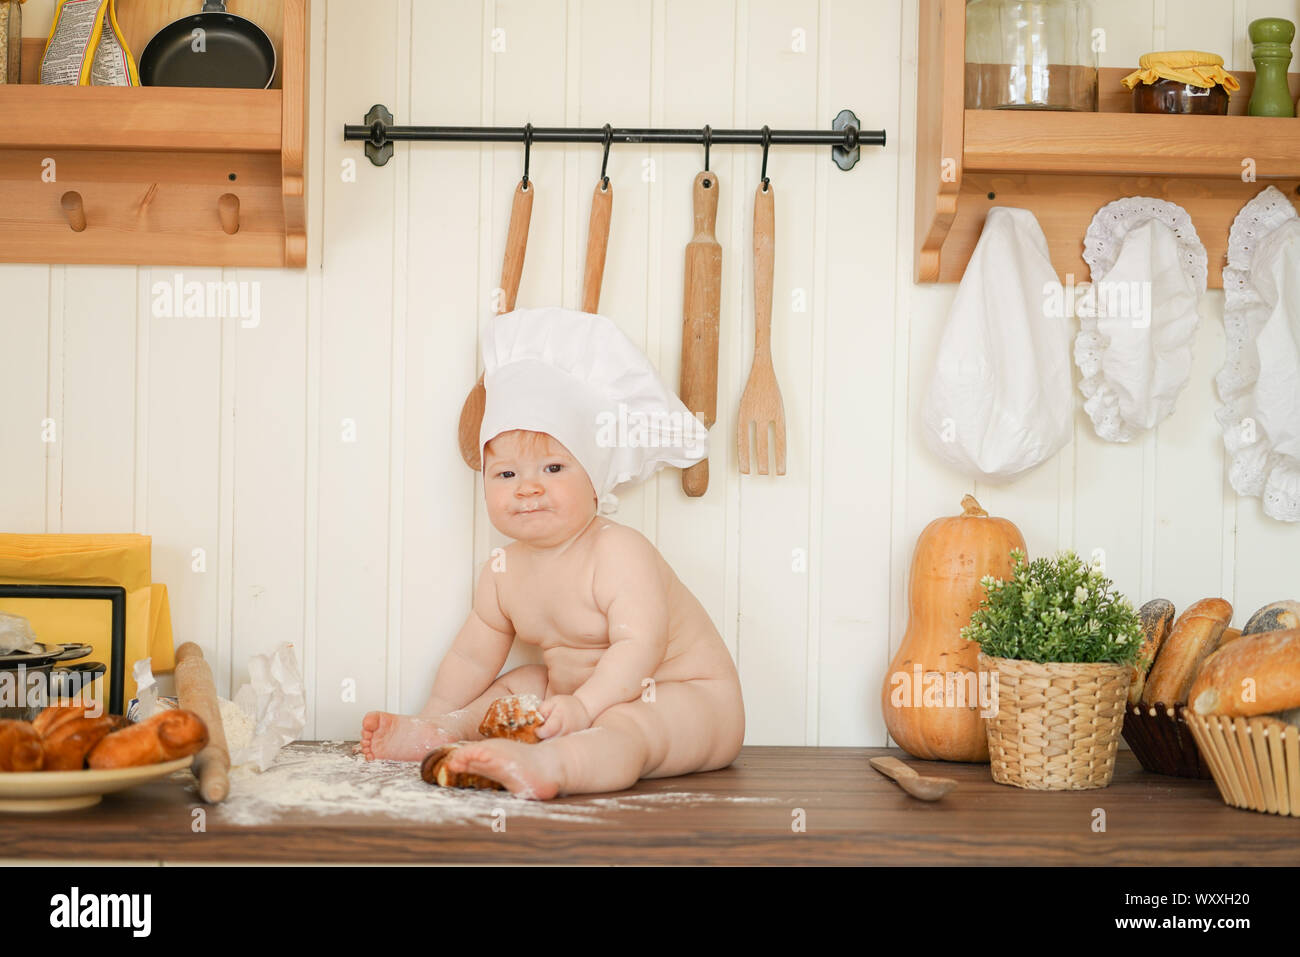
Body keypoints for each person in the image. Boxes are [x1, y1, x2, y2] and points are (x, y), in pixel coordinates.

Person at [359, 307, 744, 800]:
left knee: (629, 724)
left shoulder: (618, 551)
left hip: (682, 696)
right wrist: (439, 710)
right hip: (578, 699)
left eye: (555, 468)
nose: (528, 489)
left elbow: (638, 648)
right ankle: (440, 731)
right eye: (506, 475)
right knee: (519, 681)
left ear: (595, 480)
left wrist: (584, 709)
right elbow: (470, 657)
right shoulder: (502, 572)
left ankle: (554, 765)